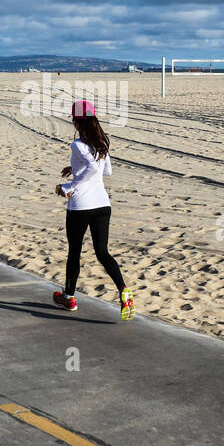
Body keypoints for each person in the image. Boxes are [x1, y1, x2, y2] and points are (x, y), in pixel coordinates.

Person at [53, 99, 135, 320]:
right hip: (102, 205)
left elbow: (91, 167)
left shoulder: (77, 145)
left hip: (81, 206)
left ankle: (69, 297)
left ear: (76, 121)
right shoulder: (102, 143)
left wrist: (69, 186)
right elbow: (105, 170)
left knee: (75, 252)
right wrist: (74, 168)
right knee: (102, 252)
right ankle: (124, 291)